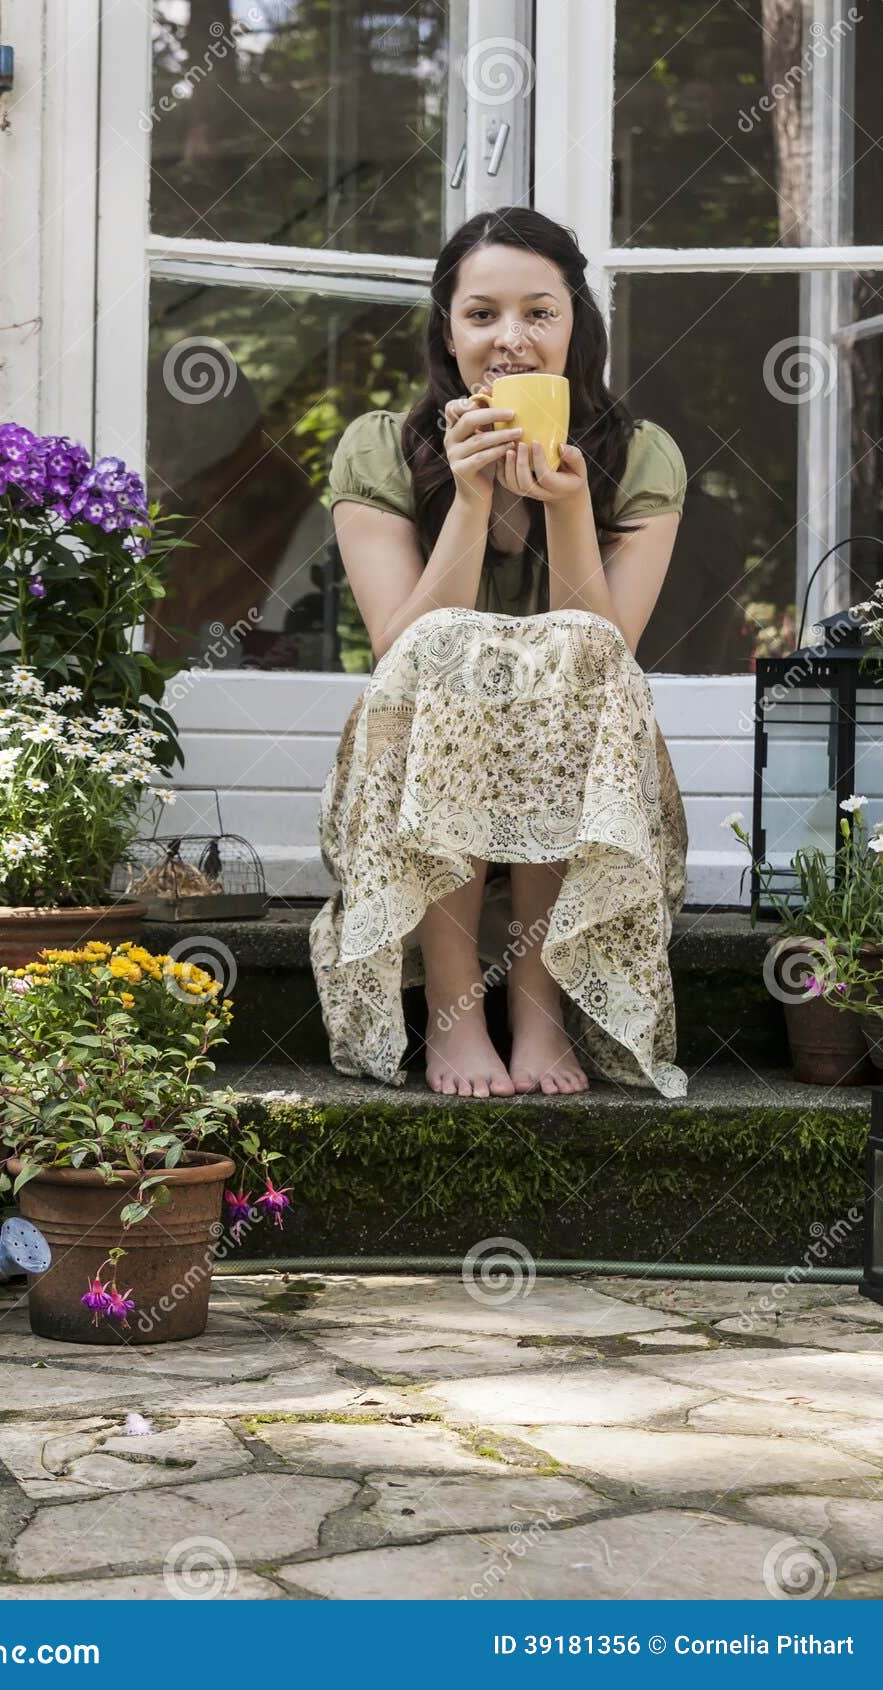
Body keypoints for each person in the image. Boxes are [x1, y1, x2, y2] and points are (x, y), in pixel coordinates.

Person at [309, 206, 689, 1101]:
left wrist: (565, 506)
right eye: (481, 314)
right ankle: (452, 1008)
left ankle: (541, 1006)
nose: (509, 340)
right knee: (450, 642)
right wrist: (471, 498)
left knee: (566, 650)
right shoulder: (383, 448)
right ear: (447, 328)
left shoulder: (638, 457)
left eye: (537, 312)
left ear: (575, 325)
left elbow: (605, 654)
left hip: (578, 757)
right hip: (414, 762)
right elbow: (398, 650)